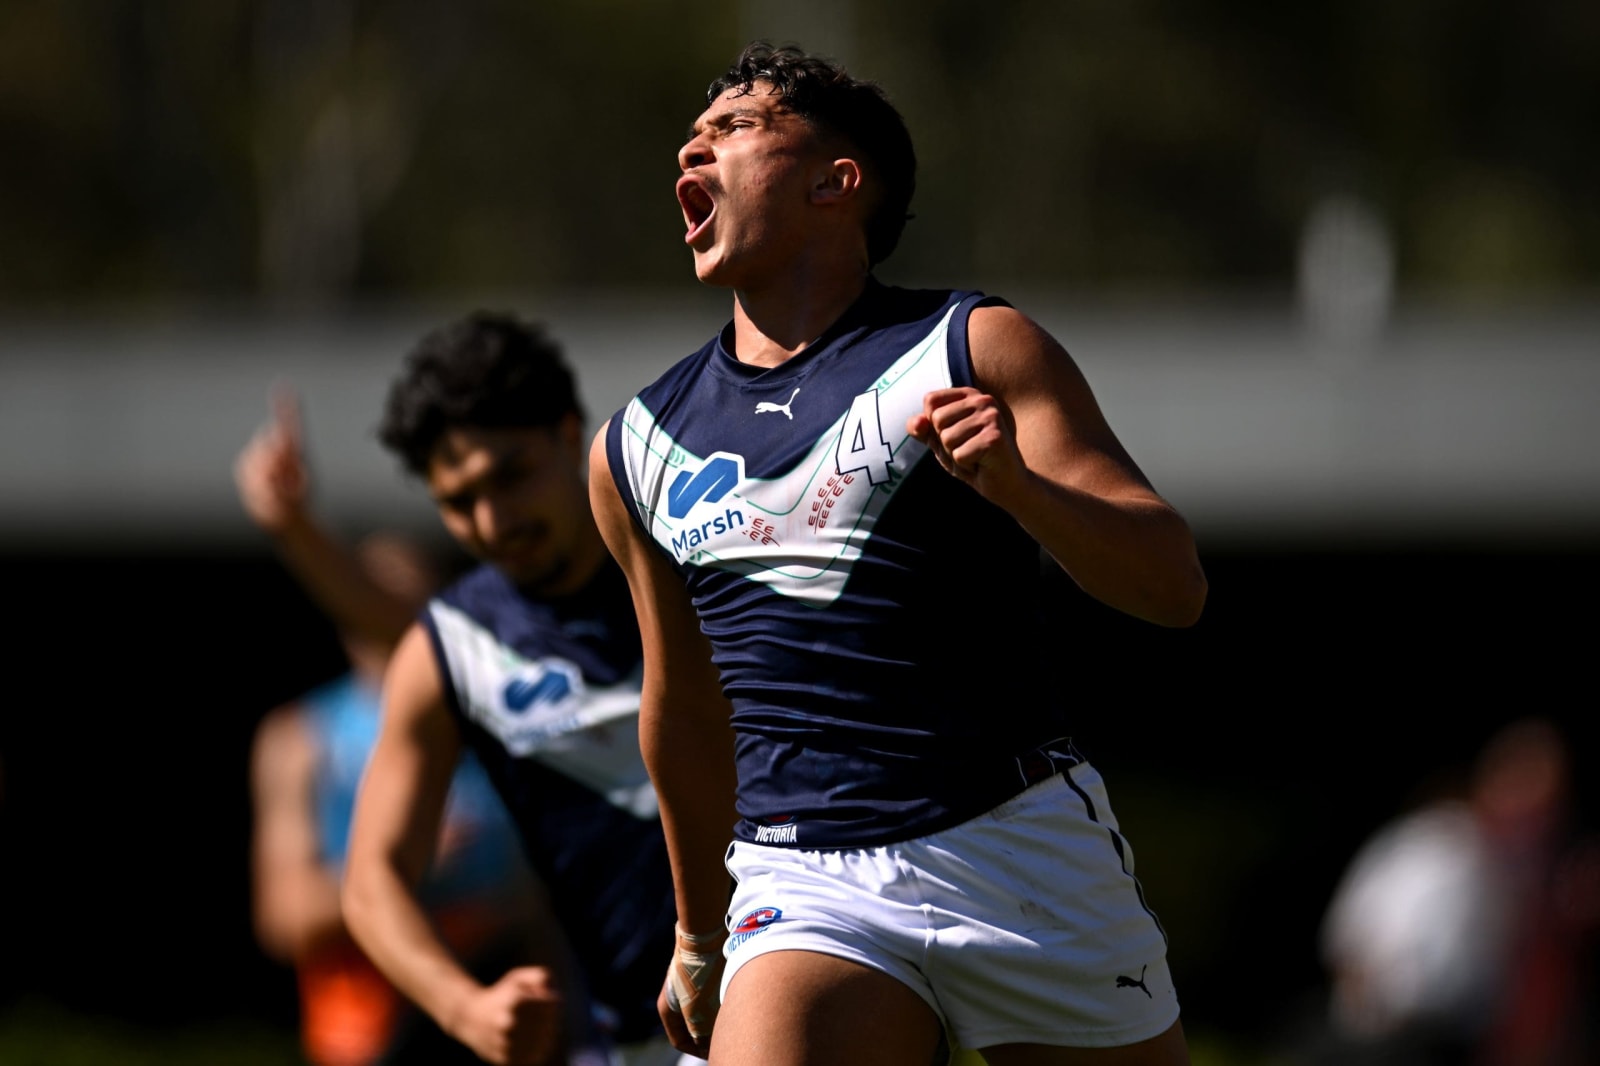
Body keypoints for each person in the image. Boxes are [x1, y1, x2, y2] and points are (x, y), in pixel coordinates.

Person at [589, 41, 1208, 1066]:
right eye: (693, 136)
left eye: (736, 127)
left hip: (1016, 844)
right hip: (800, 877)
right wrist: (697, 935)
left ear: (839, 183)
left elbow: (1172, 584)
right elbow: (683, 706)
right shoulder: (634, 446)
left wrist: (1021, 489)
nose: (695, 149)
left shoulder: (976, 346)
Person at [340, 311, 688, 1066]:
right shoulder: (447, 652)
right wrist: (462, 1006)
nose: (494, 520)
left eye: (510, 475)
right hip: (625, 1043)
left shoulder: (694, 562)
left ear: (570, 435)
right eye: (459, 500)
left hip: (799, 991)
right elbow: (371, 880)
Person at [239, 403, 542, 1066]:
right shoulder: (303, 735)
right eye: (369, 593)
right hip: (367, 1035)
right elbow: (283, 913)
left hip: (504, 1014)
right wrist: (407, 865)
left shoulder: (497, 709)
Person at [1314, 716, 1599, 1066]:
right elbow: (1354, 931)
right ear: (1491, 780)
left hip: (1462, 1046)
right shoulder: (1434, 846)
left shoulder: (1534, 885)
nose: (1529, 815)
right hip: (1385, 1040)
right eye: (1521, 787)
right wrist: (1379, 1016)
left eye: (1544, 805)